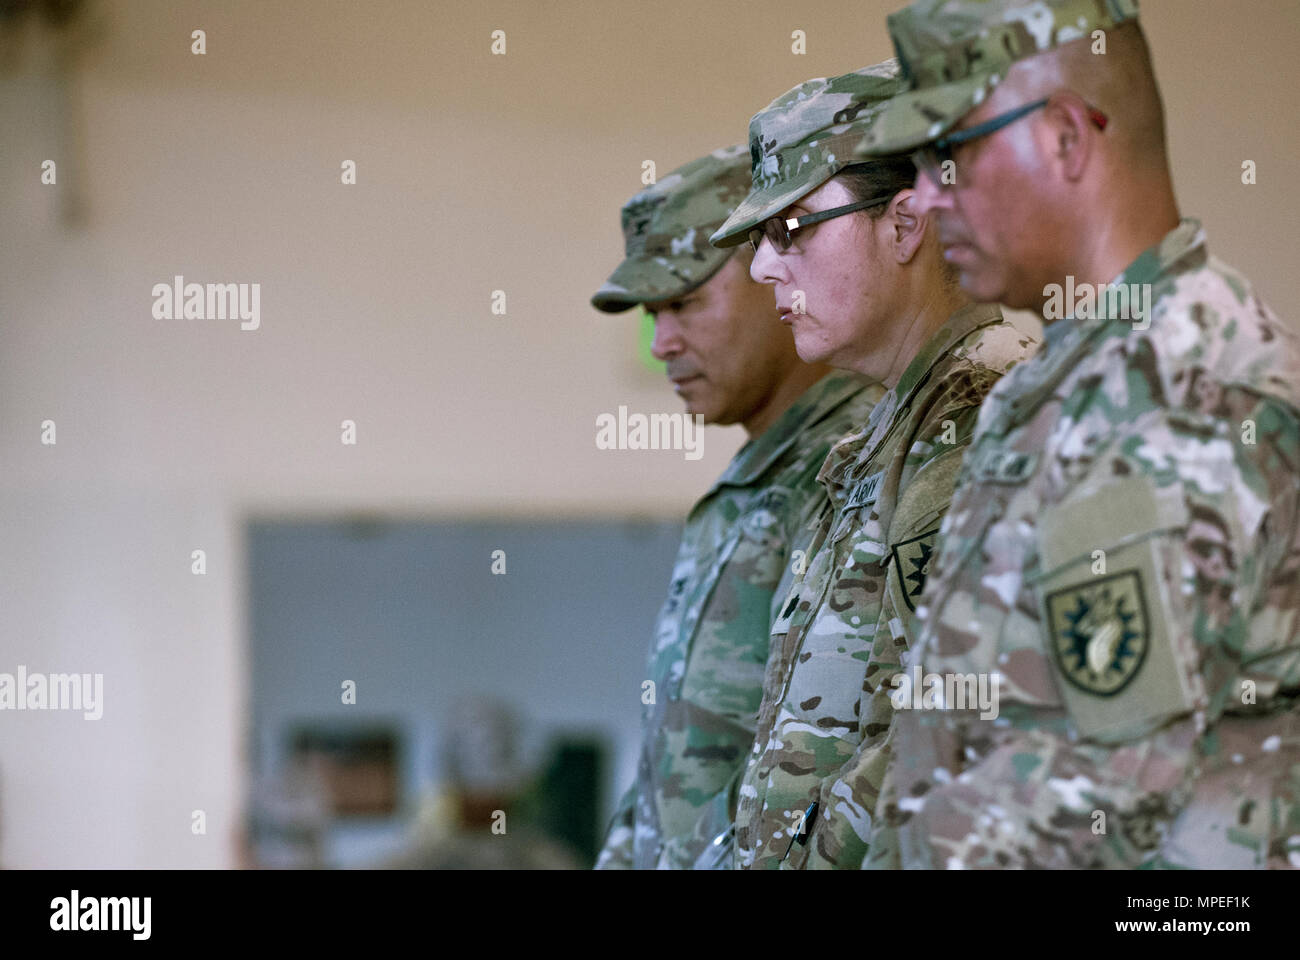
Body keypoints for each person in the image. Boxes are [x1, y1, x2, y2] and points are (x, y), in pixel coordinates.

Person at [857, 0, 1300, 868]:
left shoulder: (1185, 387)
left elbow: (1088, 794)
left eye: (951, 153)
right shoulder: (1062, 380)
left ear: (1065, 137)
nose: (925, 194)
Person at [708, 61, 1035, 869]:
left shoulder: (981, 406)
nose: (762, 268)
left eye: (793, 231)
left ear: (906, 223)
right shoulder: (891, 424)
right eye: (759, 240)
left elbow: (941, 737)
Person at [591, 146, 883, 869]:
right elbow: (669, 771)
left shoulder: (856, 462)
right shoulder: (750, 482)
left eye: (684, 301)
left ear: (773, 273)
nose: (663, 344)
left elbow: (848, 765)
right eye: (651, 312)